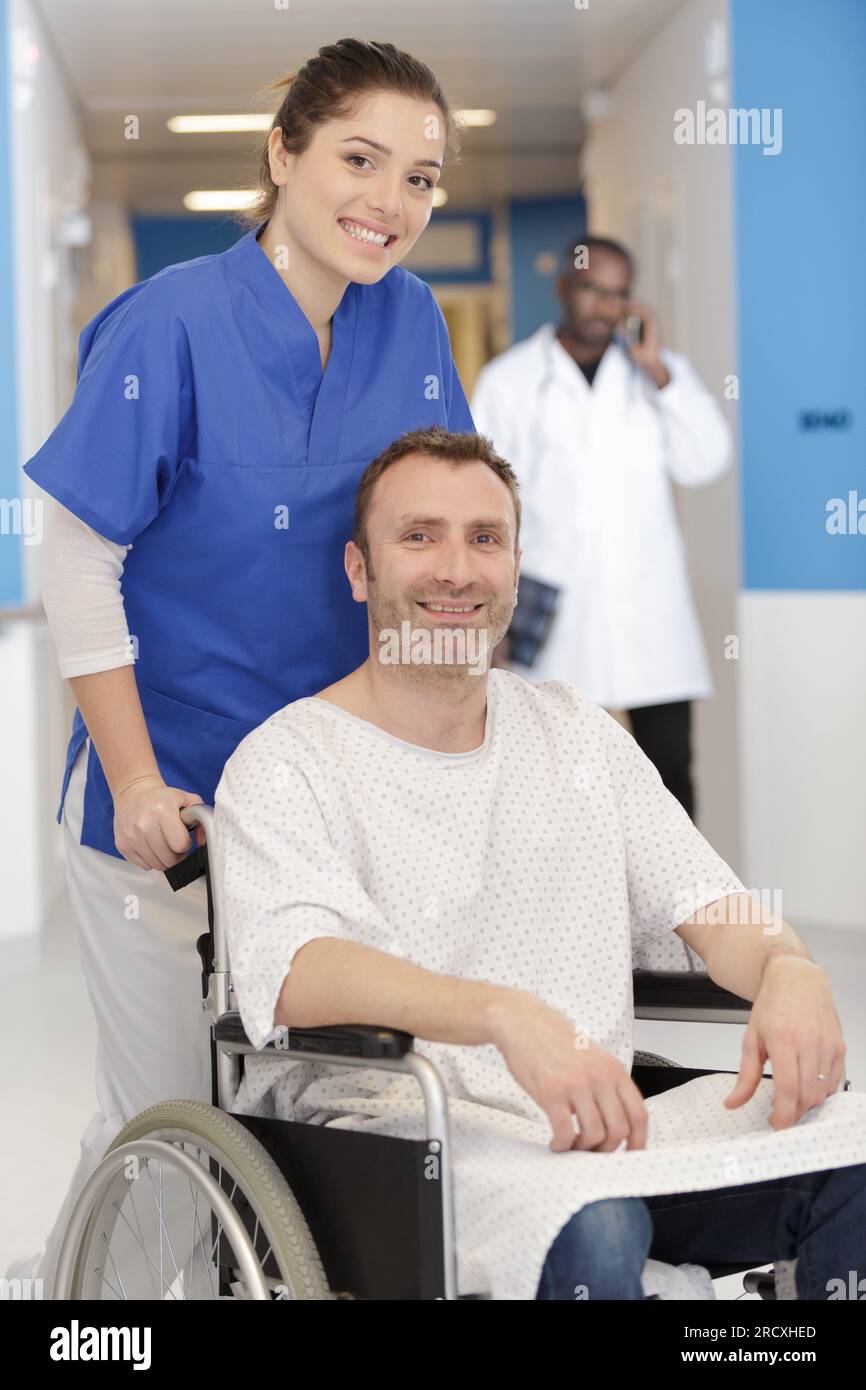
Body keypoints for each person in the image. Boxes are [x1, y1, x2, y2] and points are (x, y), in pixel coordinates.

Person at [12, 38, 476, 1298]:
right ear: (282, 154)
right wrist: (137, 777)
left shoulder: (411, 319)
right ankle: (96, 1323)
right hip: (169, 803)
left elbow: (428, 539)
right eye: (360, 160)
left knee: (308, 1124)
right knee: (168, 1118)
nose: (391, 202)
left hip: (324, 807)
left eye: (422, 179)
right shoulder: (171, 321)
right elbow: (74, 562)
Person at [213, 425, 866, 1302]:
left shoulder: (577, 735)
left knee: (849, 1142)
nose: (456, 569)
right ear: (360, 571)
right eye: (420, 537)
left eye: (485, 539)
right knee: (597, 1227)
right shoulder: (288, 760)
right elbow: (293, 967)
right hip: (401, 1136)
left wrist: (789, 964)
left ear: (516, 567)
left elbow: (714, 902)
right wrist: (498, 1016)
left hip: (596, 1127)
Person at [470, 234, 732, 819]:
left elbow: (707, 459)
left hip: (651, 617)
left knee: (669, 778)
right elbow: (482, 503)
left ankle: (678, 911)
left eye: (617, 295)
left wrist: (659, 371)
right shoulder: (509, 380)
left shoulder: (657, 375)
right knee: (555, 782)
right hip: (554, 611)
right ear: (564, 287)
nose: (603, 307)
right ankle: (567, 907)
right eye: (592, 289)